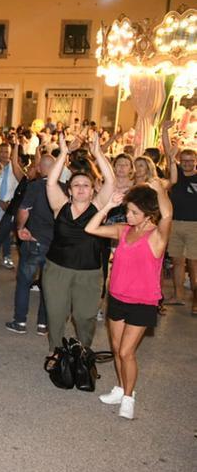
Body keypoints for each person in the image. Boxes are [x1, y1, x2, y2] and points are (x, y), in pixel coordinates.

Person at [84, 182, 171, 419]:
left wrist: (161, 190)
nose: (129, 215)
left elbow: (169, 213)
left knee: (126, 352)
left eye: (134, 212)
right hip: (117, 297)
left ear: (148, 215)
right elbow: (91, 228)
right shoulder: (123, 230)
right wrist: (108, 207)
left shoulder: (158, 236)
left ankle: (129, 398)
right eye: (128, 210)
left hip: (142, 301)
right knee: (116, 348)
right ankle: (121, 388)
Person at [41, 134, 115, 367]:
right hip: (57, 270)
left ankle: (84, 351)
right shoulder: (60, 206)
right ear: (70, 190)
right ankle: (55, 350)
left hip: (89, 273)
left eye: (86, 185)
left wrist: (98, 153)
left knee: (85, 317)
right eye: (76, 185)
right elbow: (51, 183)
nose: (81, 188)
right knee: (55, 314)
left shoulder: (98, 207)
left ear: (93, 190)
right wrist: (63, 154)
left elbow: (111, 182)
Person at [6, 154, 55, 335]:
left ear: (41, 169)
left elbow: (24, 210)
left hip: (34, 240)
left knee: (24, 282)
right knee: (47, 285)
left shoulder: (35, 187)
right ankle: (43, 324)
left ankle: (20, 321)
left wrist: (20, 228)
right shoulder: (64, 188)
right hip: (54, 244)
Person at [162, 121, 197, 313]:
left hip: (194, 225)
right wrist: (165, 131)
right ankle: (178, 295)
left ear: (195, 161)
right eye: (184, 160)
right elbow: (168, 151)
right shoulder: (176, 175)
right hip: (175, 224)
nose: (187, 163)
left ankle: (196, 301)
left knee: (193, 264)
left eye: (190, 160)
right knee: (177, 261)